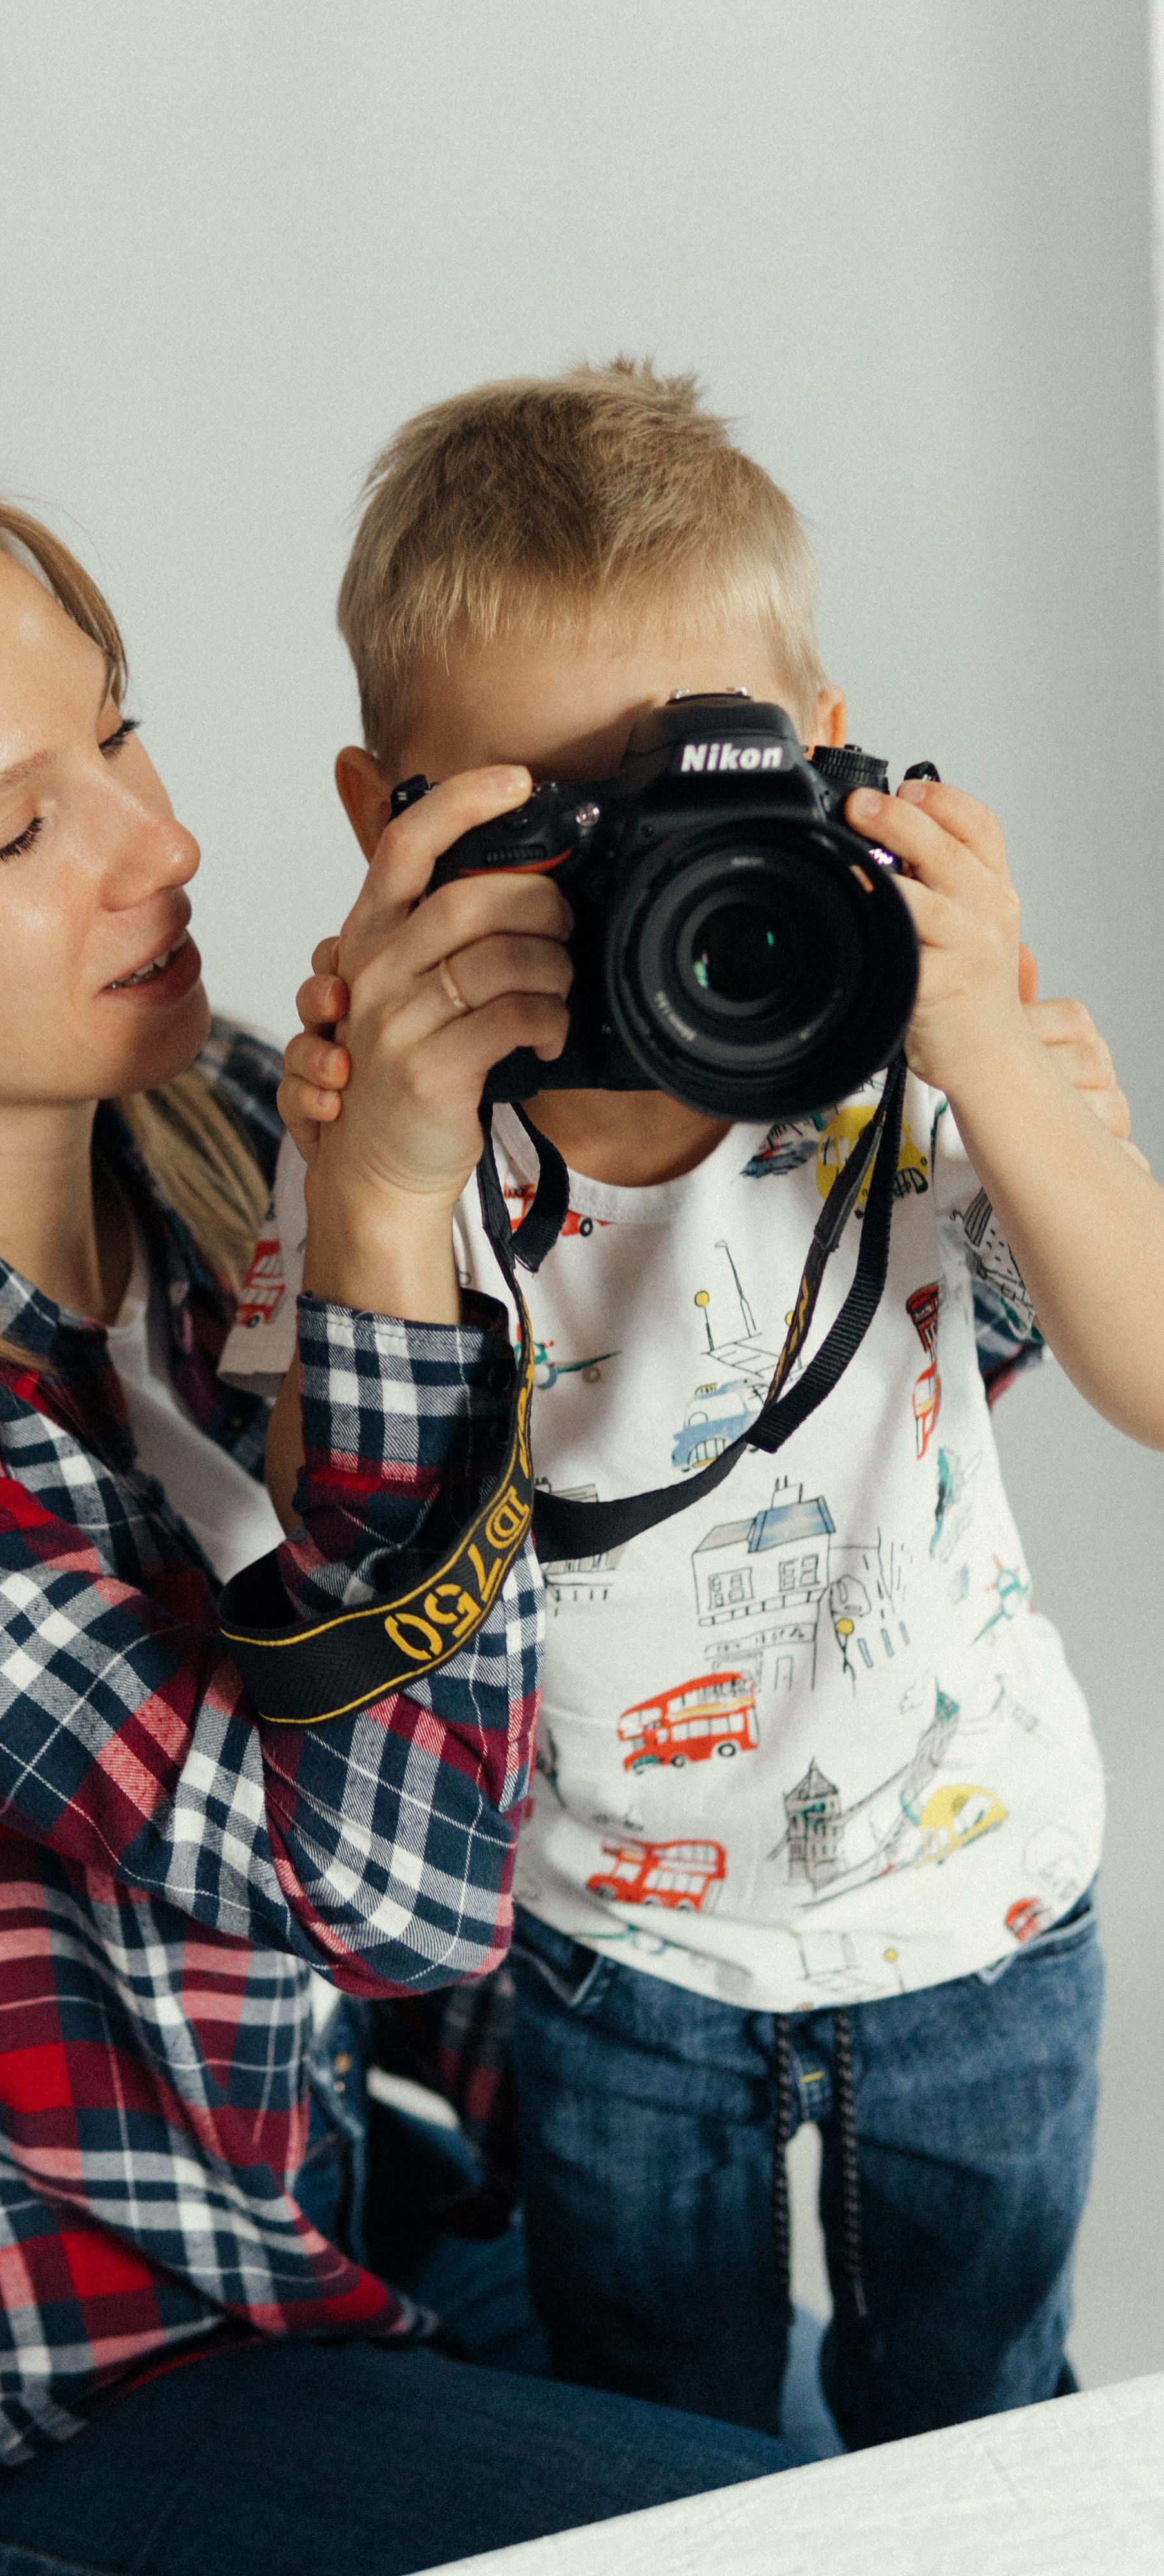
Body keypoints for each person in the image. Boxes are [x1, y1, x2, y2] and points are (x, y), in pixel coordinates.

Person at [0, 456, 792, 2575]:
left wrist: (768, 1059)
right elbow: (381, 1896)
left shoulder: (214, 1129)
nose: (165, 842)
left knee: (993, 2470)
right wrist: (385, 1227)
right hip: (48, 2417)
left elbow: (736, 1506)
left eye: (117, 736)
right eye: (22, 828)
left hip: (380, 2255)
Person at [238, 361, 1164, 2453]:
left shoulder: (911, 1059)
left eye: (686, 799)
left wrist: (990, 1047)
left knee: (977, 2434)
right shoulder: (389, 1123)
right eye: (551, 823)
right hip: (613, 1956)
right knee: (661, 2452)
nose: (632, 881)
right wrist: (378, 1183)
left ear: (824, 762)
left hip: (975, 1904)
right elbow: (341, 1543)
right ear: (387, 816)